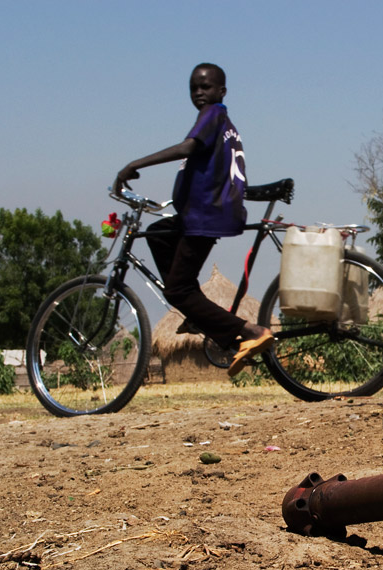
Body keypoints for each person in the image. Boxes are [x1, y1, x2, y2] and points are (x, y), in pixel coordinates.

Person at [113, 63, 273, 378]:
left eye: (206, 87)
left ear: (221, 92)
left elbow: (189, 147)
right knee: (159, 233)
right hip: (201, 212)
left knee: (176, 290)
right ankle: (195, 309)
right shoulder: (222, 122)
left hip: (207, 214)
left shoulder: (213, 114)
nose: (200, 93)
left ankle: (250, 331)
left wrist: (134, 164)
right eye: (194, 88)